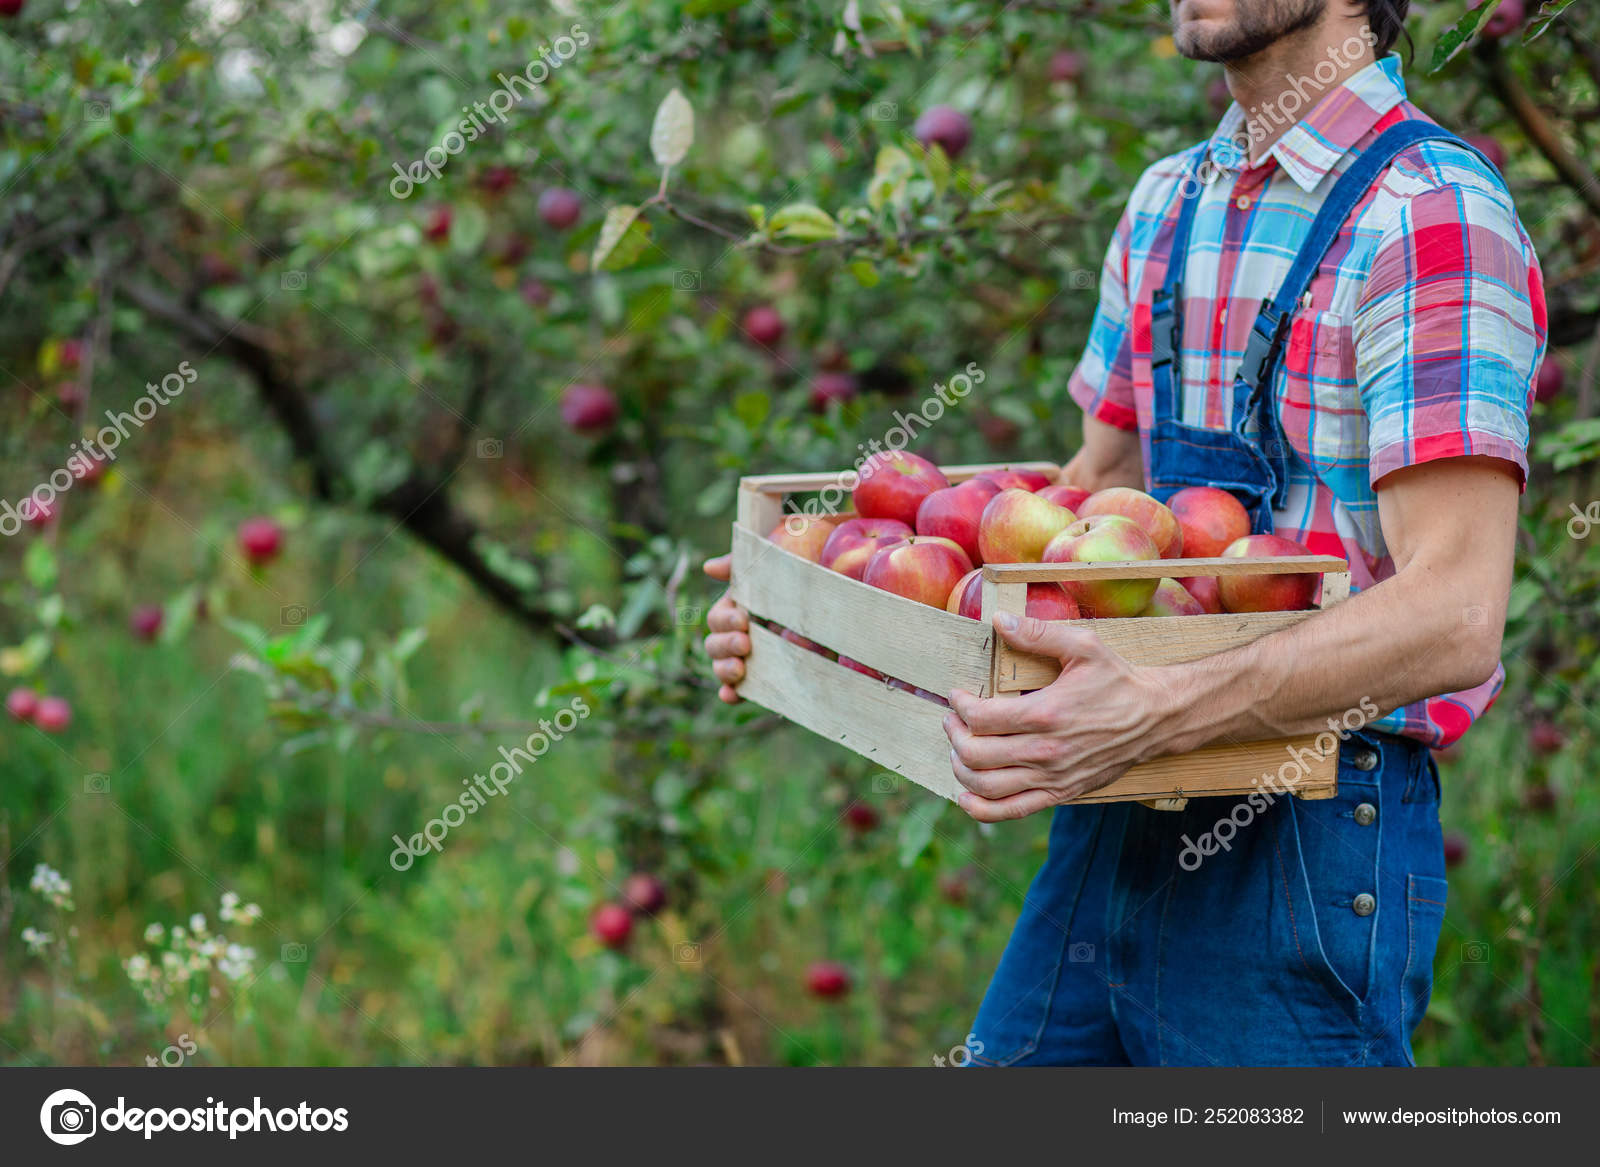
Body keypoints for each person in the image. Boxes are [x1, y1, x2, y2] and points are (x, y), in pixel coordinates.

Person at [702, 0, 1545, 1066]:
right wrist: (811, 609)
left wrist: (1154, 706)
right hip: (1118, 813)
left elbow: (1455, 617)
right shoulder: (1166, 204)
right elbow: (1079, 514)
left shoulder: (1428, 215)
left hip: (1308, 821)